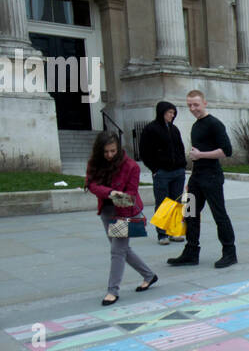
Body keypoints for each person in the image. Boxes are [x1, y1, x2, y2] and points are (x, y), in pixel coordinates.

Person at [85, 131, 156, 306]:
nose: (109, 155)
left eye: (112, 151)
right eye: (105, 152)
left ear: (118, 148)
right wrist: (109, 193)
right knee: (123, 249)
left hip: (124, 212)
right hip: (106, 211)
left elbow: (131, 195)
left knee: (117, 251)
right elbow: (91, 185)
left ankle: (112, 291)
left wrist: (118, 196)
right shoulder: (94, 163)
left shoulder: (131, 166)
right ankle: (149, 275)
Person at [168, 89, 237, 269]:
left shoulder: (215, 124)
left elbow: (226, 150)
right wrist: (190, 180)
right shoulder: (196, 125)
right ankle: (191, 251)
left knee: (219, 214)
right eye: (189, 105)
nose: (193, 108)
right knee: (189, 213)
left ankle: (230, 252)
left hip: (212, 177)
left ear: (204, 103)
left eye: (196, 104)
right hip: (196, 178)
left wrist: (201, 155)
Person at [138, 100, 188, 246]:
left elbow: (180, 148)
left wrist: (182, 165)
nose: (172, 115)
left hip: (177, 171)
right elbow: (144, 152)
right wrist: (154, 169)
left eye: (173, 113)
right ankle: (162, 234)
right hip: (162, 172)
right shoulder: (150, 129)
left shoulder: (174, 129)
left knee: (176, 202)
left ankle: (174, 232)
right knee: (162, 203)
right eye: (169, 112)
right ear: (162, 112)